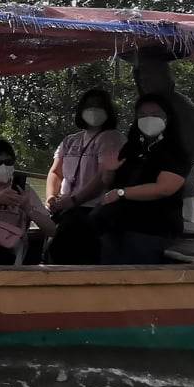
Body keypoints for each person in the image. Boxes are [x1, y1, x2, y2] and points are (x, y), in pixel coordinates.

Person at [88, 92, 194, 264]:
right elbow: (108, 184)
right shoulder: (131, 148)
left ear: (168, 118)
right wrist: (108, 170)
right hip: (115, 225)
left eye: (155, 115)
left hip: (152, 230)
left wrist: (122, 193)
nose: (148, 119)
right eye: (142, 115)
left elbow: (164, 188)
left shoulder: (176, 152)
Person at [41, 87, 126, 265]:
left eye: (99, 106)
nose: (93, 110)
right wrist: (50, 197)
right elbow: (56, 172)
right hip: (65, 207)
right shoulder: (71, 140)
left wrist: (74, 200)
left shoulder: (112, 138)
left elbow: (102, 178)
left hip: (92, 209)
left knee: (66, 247)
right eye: (89, 106)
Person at [129, 46, 194, 223]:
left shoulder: (182, 106)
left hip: (180, 191)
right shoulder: (145, 107)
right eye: (142, 75)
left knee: (185, 241)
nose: (145, 80)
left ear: (166, 76)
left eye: (151, 74)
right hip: (148, 191)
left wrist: (169, 175)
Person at [0, 137, 56, 265]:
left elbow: (51, 230)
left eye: (8, 162)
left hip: (12, 253)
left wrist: (28, 209)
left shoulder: (25, 191)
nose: (3, 166)